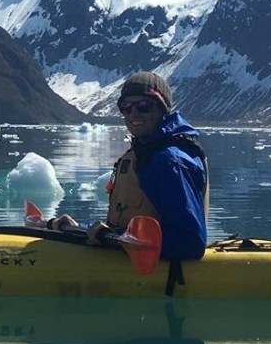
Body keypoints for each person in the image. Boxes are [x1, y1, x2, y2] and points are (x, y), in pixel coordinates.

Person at [67, 71, 208, 285]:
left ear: (162, 109)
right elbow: (124, 229)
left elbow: (188, 242)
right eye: (126, 107)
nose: (134, 113)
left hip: (164, 277)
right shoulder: (145, 153)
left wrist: (115, 239)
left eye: (143, 106)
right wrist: (82, 227)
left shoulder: (170, 162)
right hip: (130, 256)